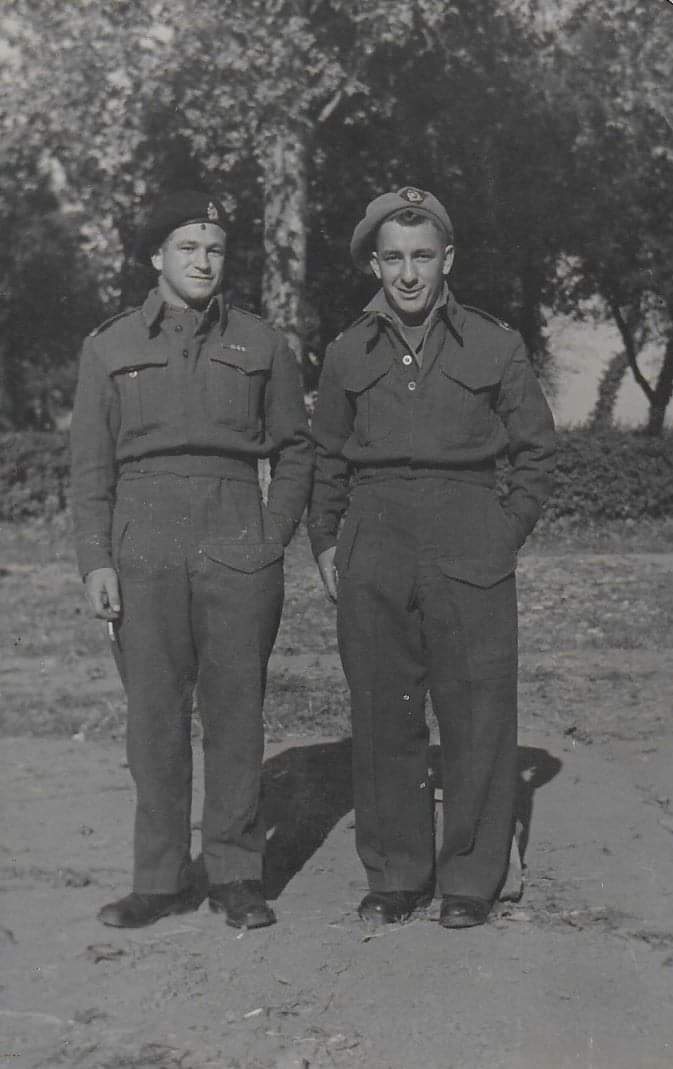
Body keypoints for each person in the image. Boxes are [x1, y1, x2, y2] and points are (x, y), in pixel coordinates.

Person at [307, 186, 555, 928]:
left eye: (422, 255)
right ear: (374, 266)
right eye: (392, 258)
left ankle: (470, 880)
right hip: (375, 544)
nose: (408, 274)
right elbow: (327, 461)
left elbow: (536, 453)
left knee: (476, 711)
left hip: (467, 539)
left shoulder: (493, 342)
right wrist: (325, 541)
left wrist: (497, 530)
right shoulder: (347, 350)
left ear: (447, 257)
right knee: (383, 711)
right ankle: (395, 873)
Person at [71, 190, 313, 929]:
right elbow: (90, 467)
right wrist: (95, 561)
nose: (202, 261)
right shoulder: (108, 346)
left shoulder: (261, 342)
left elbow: (296, 449)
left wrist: (270, 536)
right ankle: (161, 875)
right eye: (186, 248)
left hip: (236, 532)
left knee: (236, 710)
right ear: (156, 257)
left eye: (213, 248)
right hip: (142, 540)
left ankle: (236, 873)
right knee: (154, 717)